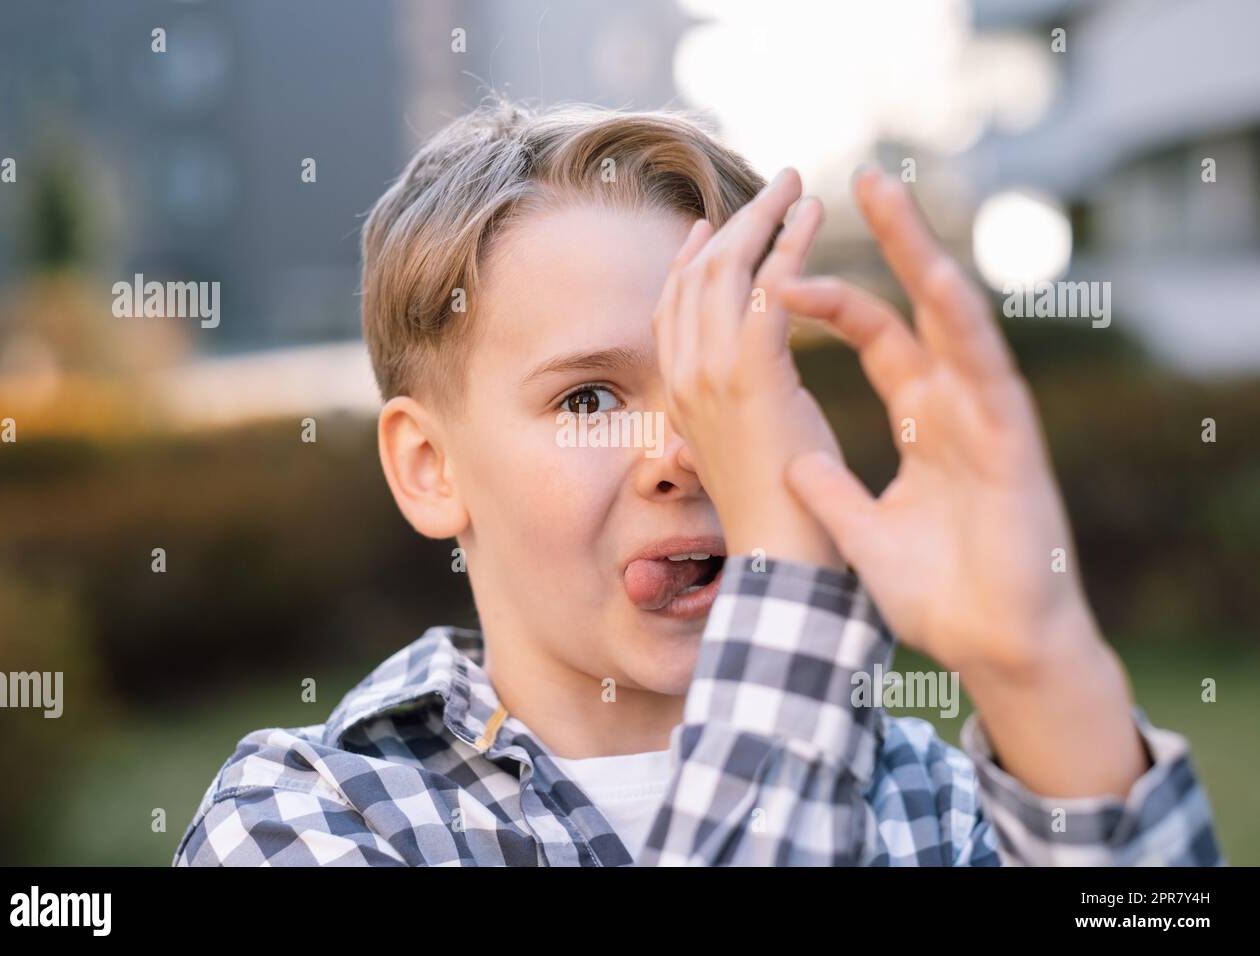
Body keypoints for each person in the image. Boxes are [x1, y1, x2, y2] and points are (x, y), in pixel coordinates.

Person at [174, 100, 1221, 866]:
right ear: (430, 466)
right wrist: (794, 590)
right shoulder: (311, 817)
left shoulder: (932, 808)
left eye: (724, 387)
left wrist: (1036, 662)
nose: (682, 452)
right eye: (589, 399)